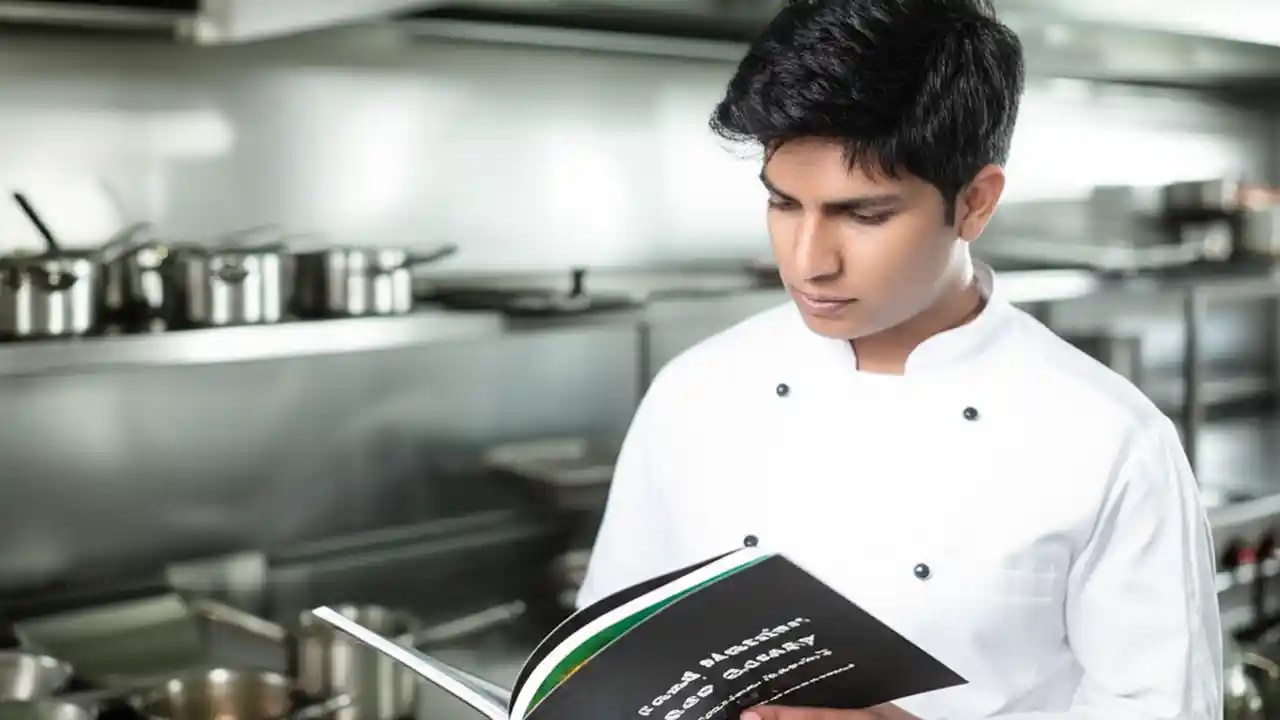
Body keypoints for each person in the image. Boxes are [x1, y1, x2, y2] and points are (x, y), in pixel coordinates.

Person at [575, 0, 1223, 719]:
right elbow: (607, 661)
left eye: (864, 214)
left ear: (974, 203)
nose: (807, 262)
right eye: (784, 205)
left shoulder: (1109, 441)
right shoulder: (695, 393)